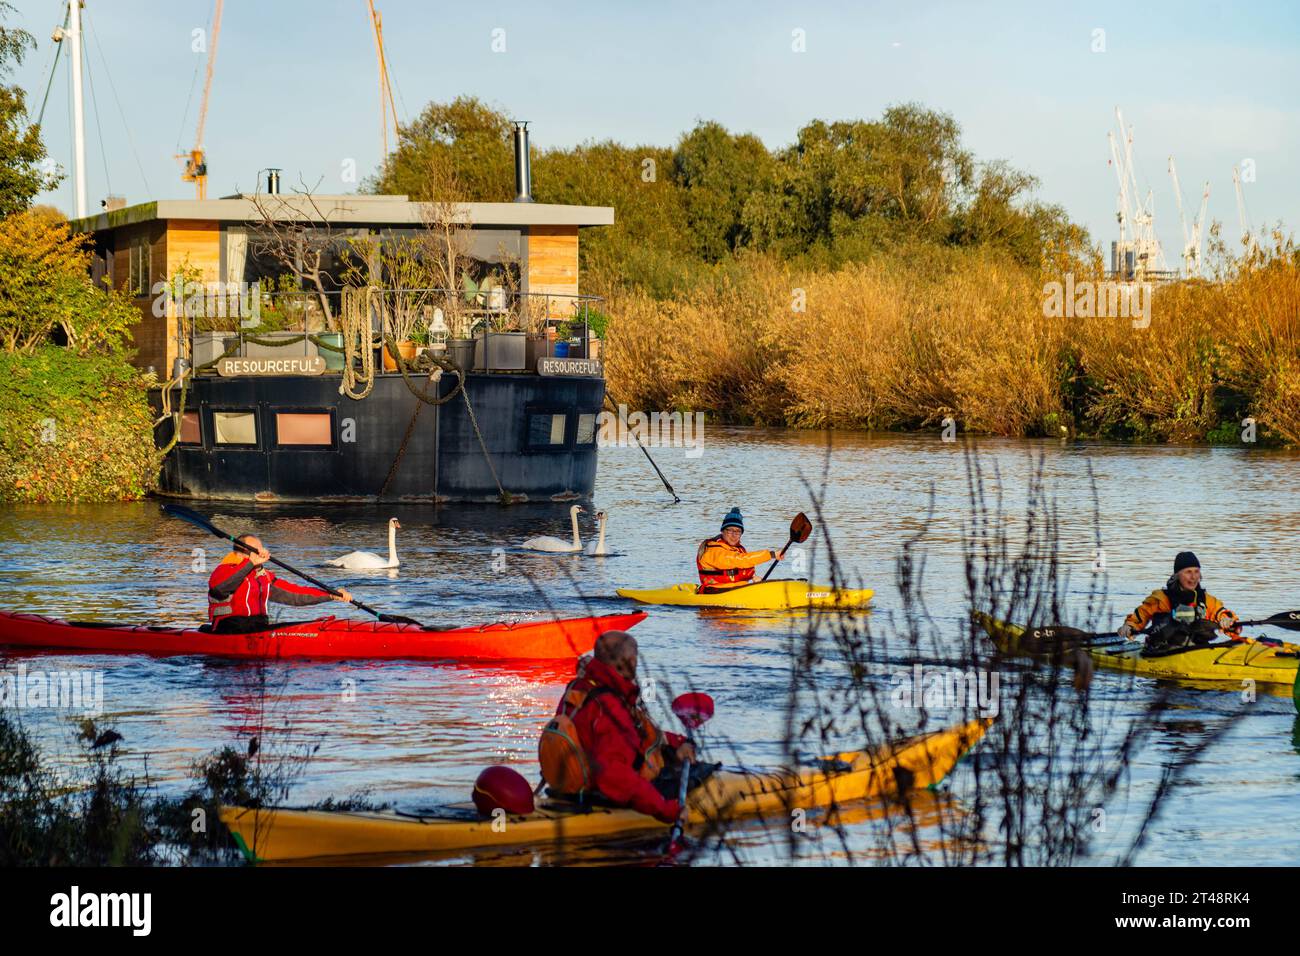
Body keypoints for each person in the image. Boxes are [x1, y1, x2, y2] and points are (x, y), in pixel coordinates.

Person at [550, 631, 703, 823]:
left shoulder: (580, 687)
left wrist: (675, 743)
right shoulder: (611, 707)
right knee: (694, 775)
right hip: (598, 793)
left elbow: (638, 731)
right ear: (631, 661)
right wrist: (665, 809)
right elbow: (614, 774)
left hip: (568, 786)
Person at [207, 534, 352, 634]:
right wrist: (250, 563)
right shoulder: (223, 570)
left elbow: (294, 594)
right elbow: (220, 589)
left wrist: (330, 595)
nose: (263, 553)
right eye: (257, 550)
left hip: (258, 627)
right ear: (244, 552)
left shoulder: (263, 576)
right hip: (230, 629)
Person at [1118, 551, 1238, 653]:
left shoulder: (1207, 600)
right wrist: (1128, 626)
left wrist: (1227, 620)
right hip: (1161, 650)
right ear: (1177, 575)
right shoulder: (1161, 598)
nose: (1193, 577)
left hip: (1197, 650)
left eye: (1196, 572)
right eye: (1188, 572)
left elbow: (1223, 613)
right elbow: (1140, 616)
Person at [696, 508, 786, 591]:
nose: (734, 534)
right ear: (722, 531)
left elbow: (743, 567)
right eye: (730, 530)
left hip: (737, 589)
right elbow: (738, 560)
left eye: (738, 531)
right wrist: (771, 554)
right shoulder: (712, 550)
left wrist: (753, 577)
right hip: (716, 591)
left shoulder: (739, 549)